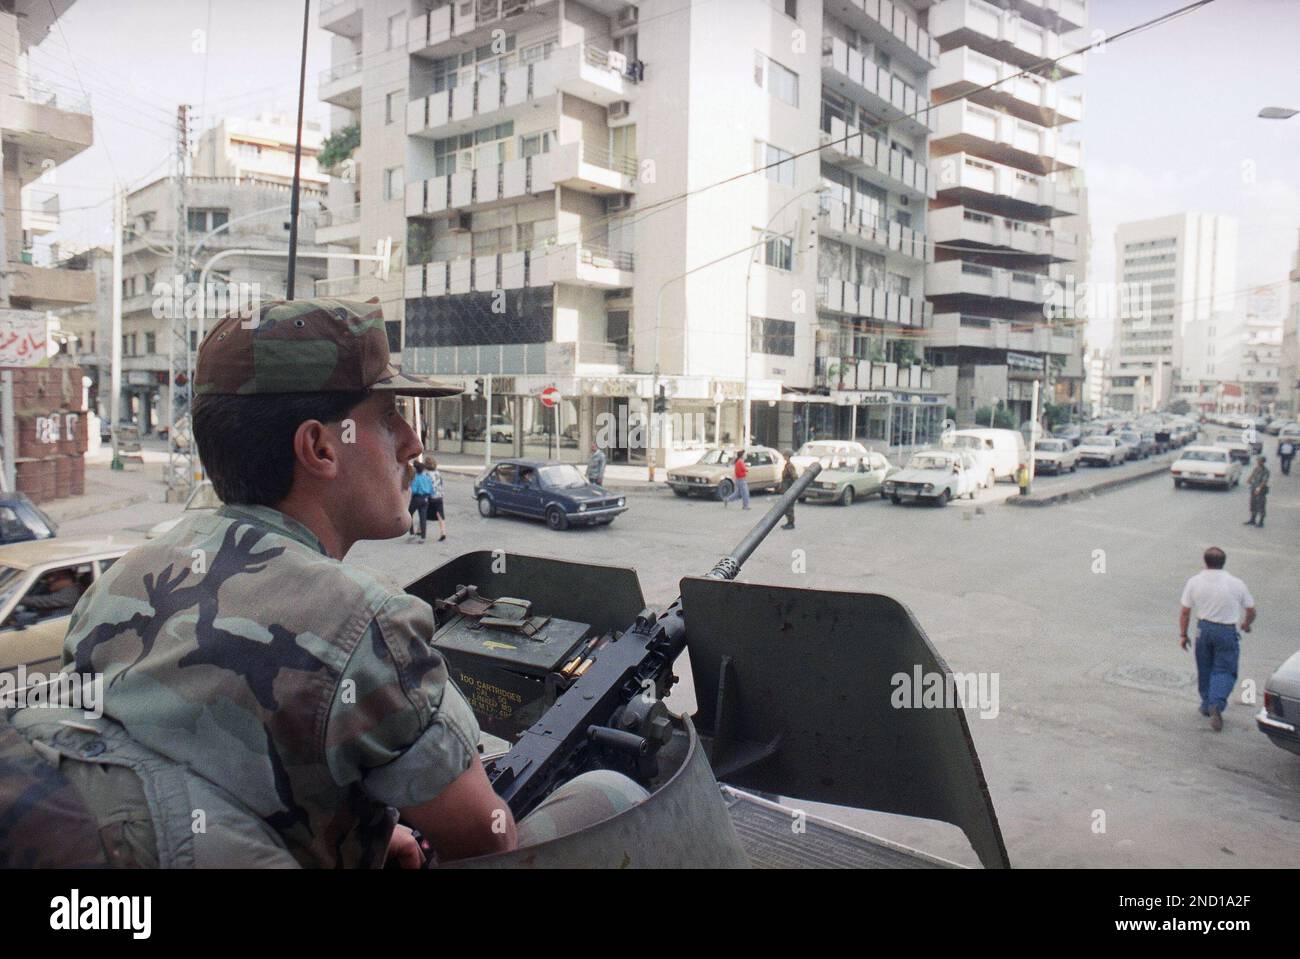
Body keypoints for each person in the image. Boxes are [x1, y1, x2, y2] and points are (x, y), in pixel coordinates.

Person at [10, 298, 645, 869]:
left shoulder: (124, 576)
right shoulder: (365, 624)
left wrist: (366, 831)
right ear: (319, 447)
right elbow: (487, 839)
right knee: (610, 794)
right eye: (391, 416)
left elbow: (177, 759)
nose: (414, 443)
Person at [1179, 546, 1256, 732]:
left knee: (1204, 667)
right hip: (1226, 631)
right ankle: (1216, 703)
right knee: (1225, 670)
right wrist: (1246, 624)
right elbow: (1251, 610)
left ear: (1205, 562)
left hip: (1203, 630)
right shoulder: (1236, 583)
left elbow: (1185, 611)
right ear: (1223, 563)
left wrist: (1183, 635)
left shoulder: (1194, 582)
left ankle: (1206, 704)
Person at [408, 460, 433, 542]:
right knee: (423, 517)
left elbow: (414, 490)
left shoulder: (415, 478)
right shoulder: (427, 478)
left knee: (410, 514)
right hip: (425, 498)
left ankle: (412, 533)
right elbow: (431, 489)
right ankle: (423, 536)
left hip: (416, 498)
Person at [425, 456, 447, 542]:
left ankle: (420, 530)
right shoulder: (438, 473)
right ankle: (443, 532)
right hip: (439, 497)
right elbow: (441, 484)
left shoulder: (426, 474)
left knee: (424, 513)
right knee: (440, 515)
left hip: (430, 497)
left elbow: (427, 487)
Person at [1244, 455, 1269, 527]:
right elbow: (1252, 475)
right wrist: (1249, 480)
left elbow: (1264, 481)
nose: (1257, 462)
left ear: (1262, 462)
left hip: (1261, 490)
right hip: (1253, 488)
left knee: (1261, 505)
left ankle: (1261, 521)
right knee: (1253, 503)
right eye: (1257, 460)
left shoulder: (1265, 471)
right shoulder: (1256, 469)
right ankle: (1252, 519)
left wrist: (1258, 489)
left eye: (1259, 461)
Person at [779, 451, 797, 530]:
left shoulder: (790, 466)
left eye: (785, 455)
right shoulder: (787, 465)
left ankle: (791, 523)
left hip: (789, 487)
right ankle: (789, 522)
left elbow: (794, 476)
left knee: (789, 506)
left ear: (788, 456)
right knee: (787, 506)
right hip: (786, 487)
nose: (784, 457)